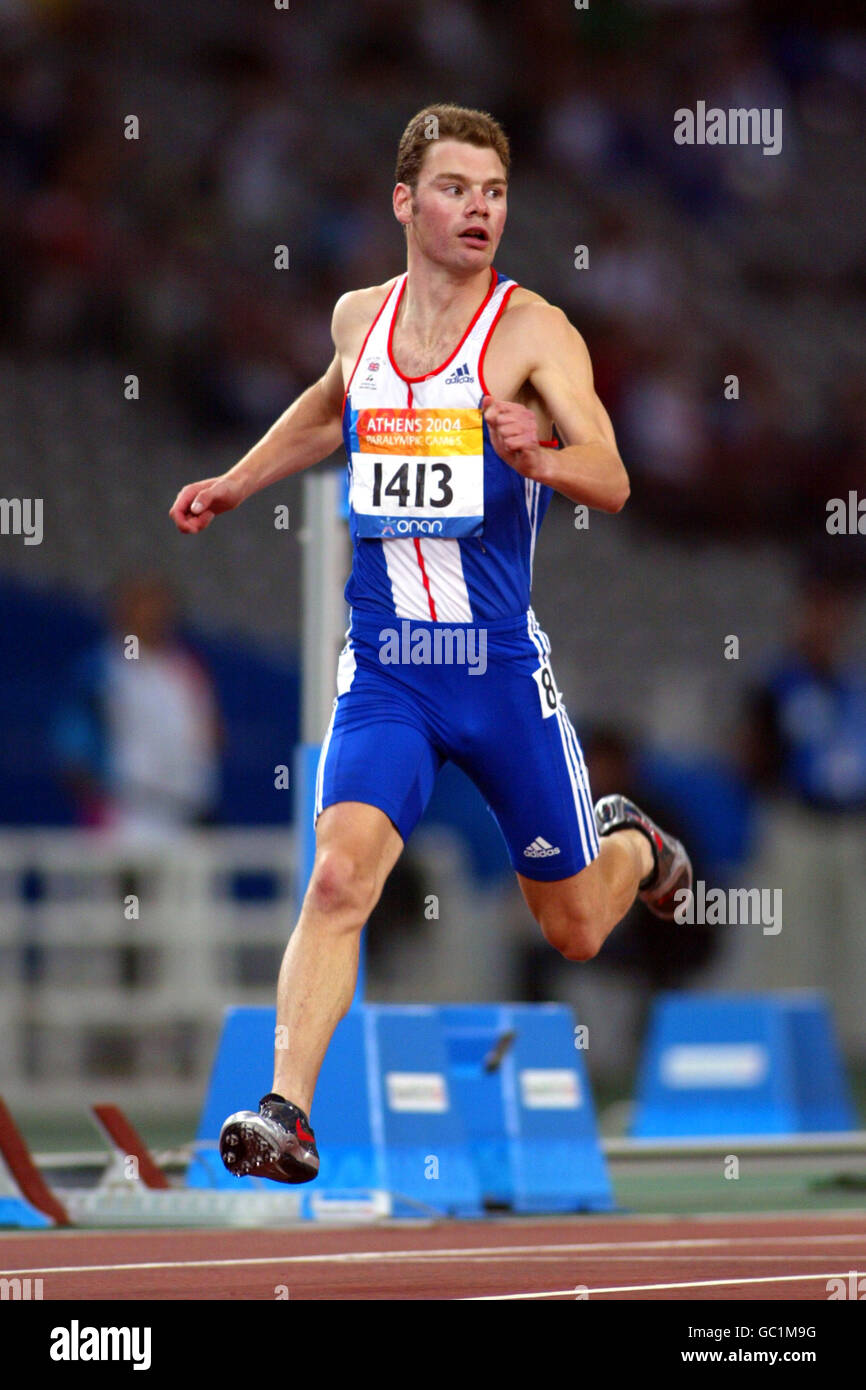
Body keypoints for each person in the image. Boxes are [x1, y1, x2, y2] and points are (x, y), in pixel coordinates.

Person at [169, 104, 692, 1184]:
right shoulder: (359, 316)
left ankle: (630, 841)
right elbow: (327, 407)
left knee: (576, 930)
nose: (479, 211)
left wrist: (539, 453)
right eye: (456, 190)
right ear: (404, 202)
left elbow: (614, 473)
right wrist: (236, 480)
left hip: (495, 668)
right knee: (336, 880)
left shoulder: (532, 330)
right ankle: (287, 1113)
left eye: (494, 194)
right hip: (389, 666)